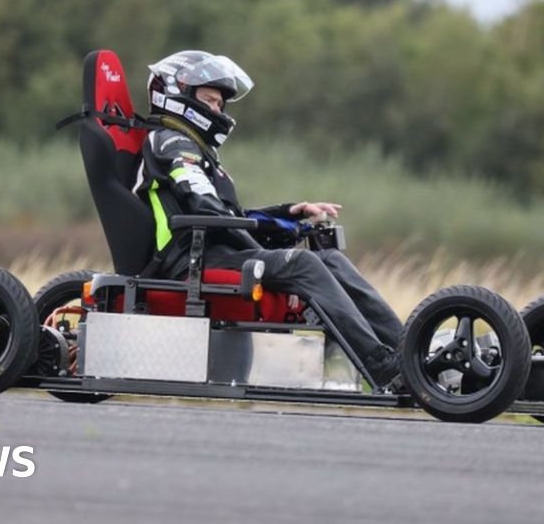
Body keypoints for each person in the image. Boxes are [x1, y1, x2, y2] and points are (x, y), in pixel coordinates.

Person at [135, 50, 402, 389]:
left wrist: (286, 212)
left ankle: (407, 349)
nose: (217, 110)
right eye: (210, 100)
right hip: (192, 258)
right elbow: (204, 208)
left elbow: (228, 216)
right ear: (177, 95)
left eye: (220, 103)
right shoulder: (172, 142)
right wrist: (272, 230)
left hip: (217, 248)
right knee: (304, 264)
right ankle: (381, 365)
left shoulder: (198, 150)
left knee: (330, 258)